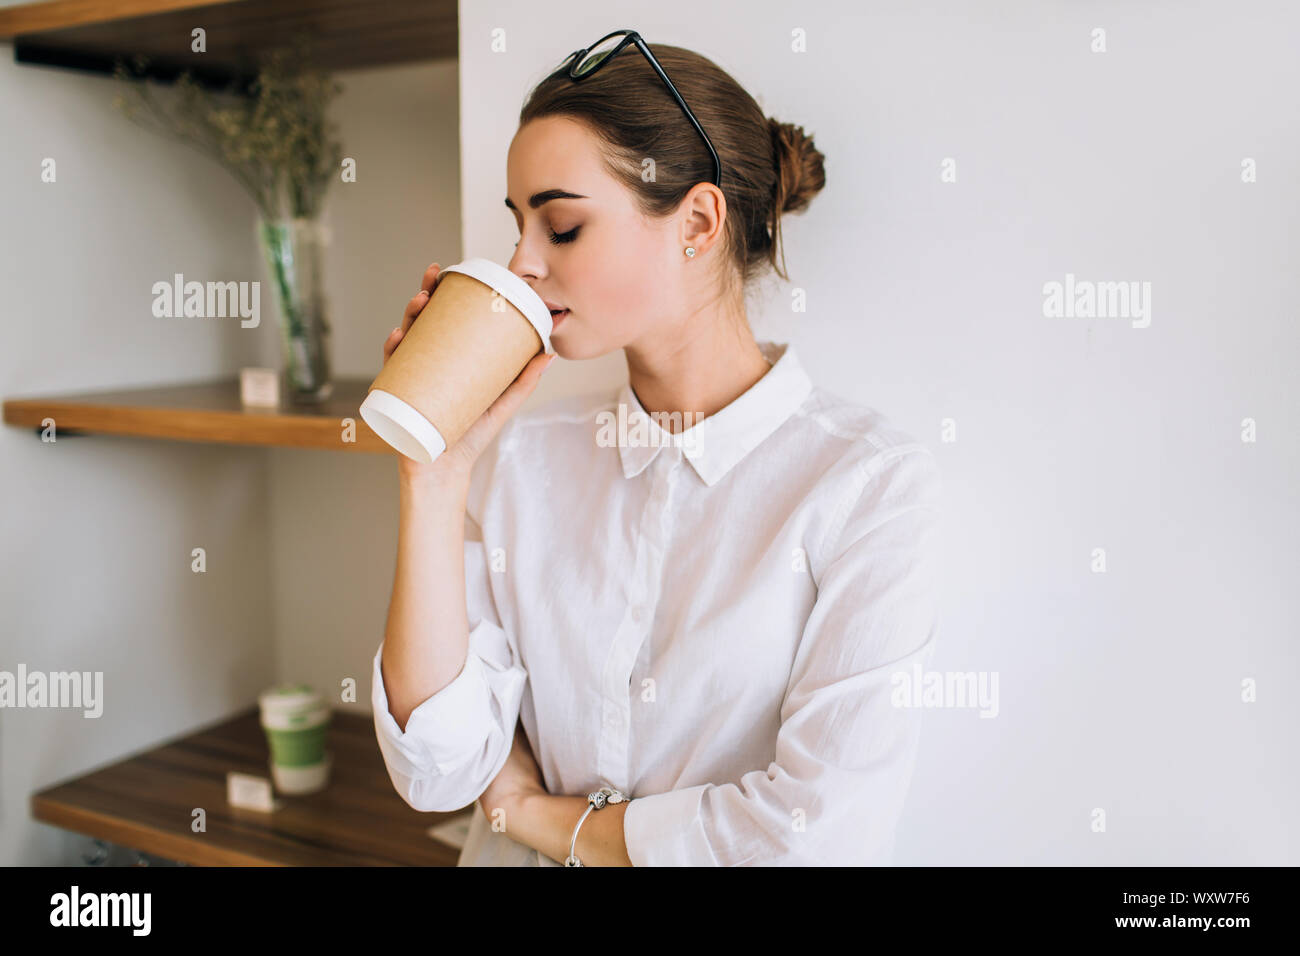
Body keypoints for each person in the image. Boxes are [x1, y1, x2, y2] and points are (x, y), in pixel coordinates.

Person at [371, 33, 942, 866]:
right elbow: (440, 769)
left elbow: (815, 840)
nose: (521, 263)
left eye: (561, 226)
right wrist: (433, 475)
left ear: (698, 224)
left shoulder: (867, 488)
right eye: (519, 224)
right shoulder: (521, 460)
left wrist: (539, 816)